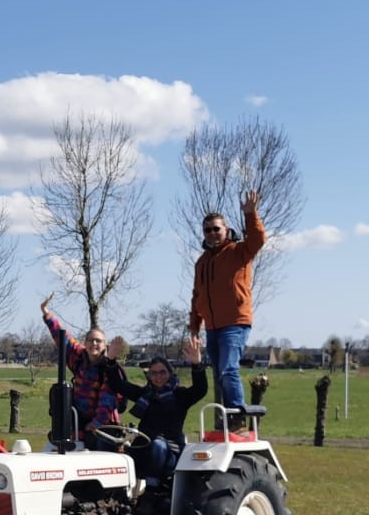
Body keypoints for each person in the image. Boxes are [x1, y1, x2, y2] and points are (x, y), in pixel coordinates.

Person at [187, 191, 266, 424]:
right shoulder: (201, 263)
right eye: (207, 230)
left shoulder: (238, 251)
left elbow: (258, 239)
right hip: (212, 327)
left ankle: (238, 419)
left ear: (226, 229)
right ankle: (226, 418)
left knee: (228, 369)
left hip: (235, 323)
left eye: (216, 229)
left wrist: (251, 214)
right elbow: (196, 296)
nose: (212, 233)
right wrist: (194, 328)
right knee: (220, 374)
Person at [112, 336, 208, 484]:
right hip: (145, 446)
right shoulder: (145, 395)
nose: (158, 377)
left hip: (171, 450)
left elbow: (200, 390)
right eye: (153, 373)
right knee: (119, 451)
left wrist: (197, 364)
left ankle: (151, 490)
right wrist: (111, 360)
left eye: (162, 372)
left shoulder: (179, 396)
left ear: (170, 373)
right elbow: (118, 385)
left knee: (158, 445)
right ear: (149, 376)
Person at [40, 295, 129, 447]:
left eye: (98, 341)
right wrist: (47, 314)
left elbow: (107, 400)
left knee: (97, 445)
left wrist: (95, 424)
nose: (94, 343)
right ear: (85, 342)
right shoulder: (79, 358)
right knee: (57, 444)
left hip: (103, 425)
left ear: (105, 345)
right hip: (78, 421)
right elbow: (64, 339)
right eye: (90, 340)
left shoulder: (109, 369)